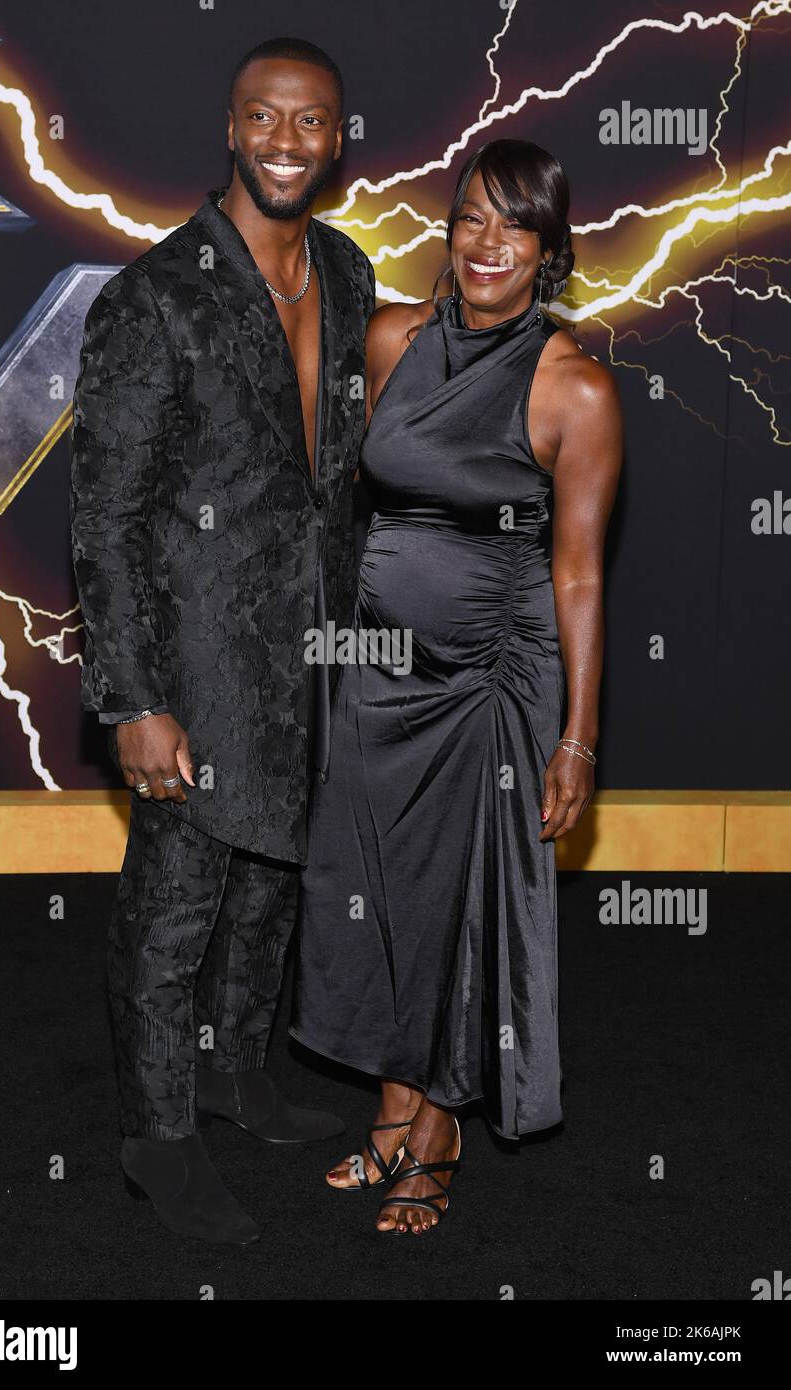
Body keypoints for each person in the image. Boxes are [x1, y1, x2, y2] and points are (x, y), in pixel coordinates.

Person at [69, 36, 375, 1246]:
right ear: (231, 130)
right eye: (265, 118)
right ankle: (157, 1135)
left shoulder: (348, 275)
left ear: (337, 140)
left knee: (277, 885)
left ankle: (236, 1072)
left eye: (310, 122)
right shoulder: (154, 295)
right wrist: (133, 697)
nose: (287, 141)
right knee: (175, 906)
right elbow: (105, 514)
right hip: (192, 660)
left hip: (314, 653)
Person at [291, 138, 622, 1235]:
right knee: (371, 888)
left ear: (548, 249)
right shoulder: (390, 338)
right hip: (376, 668)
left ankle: (433, 1134)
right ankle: (389, 1114)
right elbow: (346, 499)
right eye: (471, 218)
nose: (487, 245)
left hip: (492, 681)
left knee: (456, 900)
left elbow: (576, 570)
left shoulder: (573, 386)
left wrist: (576, 736)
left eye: (513, 226)